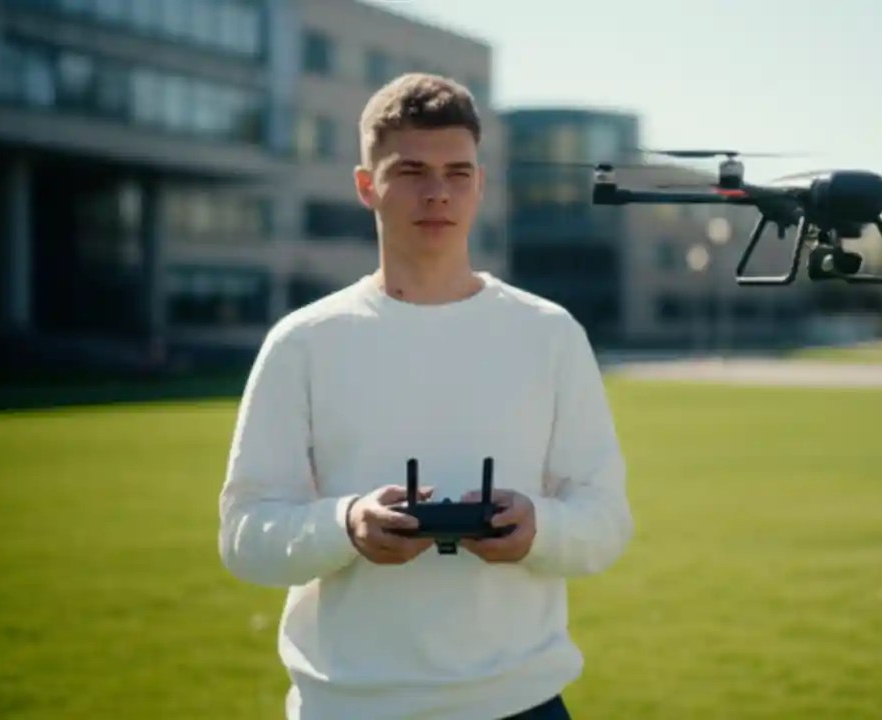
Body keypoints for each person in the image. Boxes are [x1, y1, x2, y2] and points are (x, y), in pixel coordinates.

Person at [217, 73, 634, 720]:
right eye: (411, 170)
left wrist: (538, 528)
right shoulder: (303, 341)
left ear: (481, 185)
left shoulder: (549, 334)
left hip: (519, 702)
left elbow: (606, 520)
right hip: (350, 706)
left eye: (458, 172)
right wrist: (346, 525)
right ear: (366, 186)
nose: (438, 192)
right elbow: (245, 535)